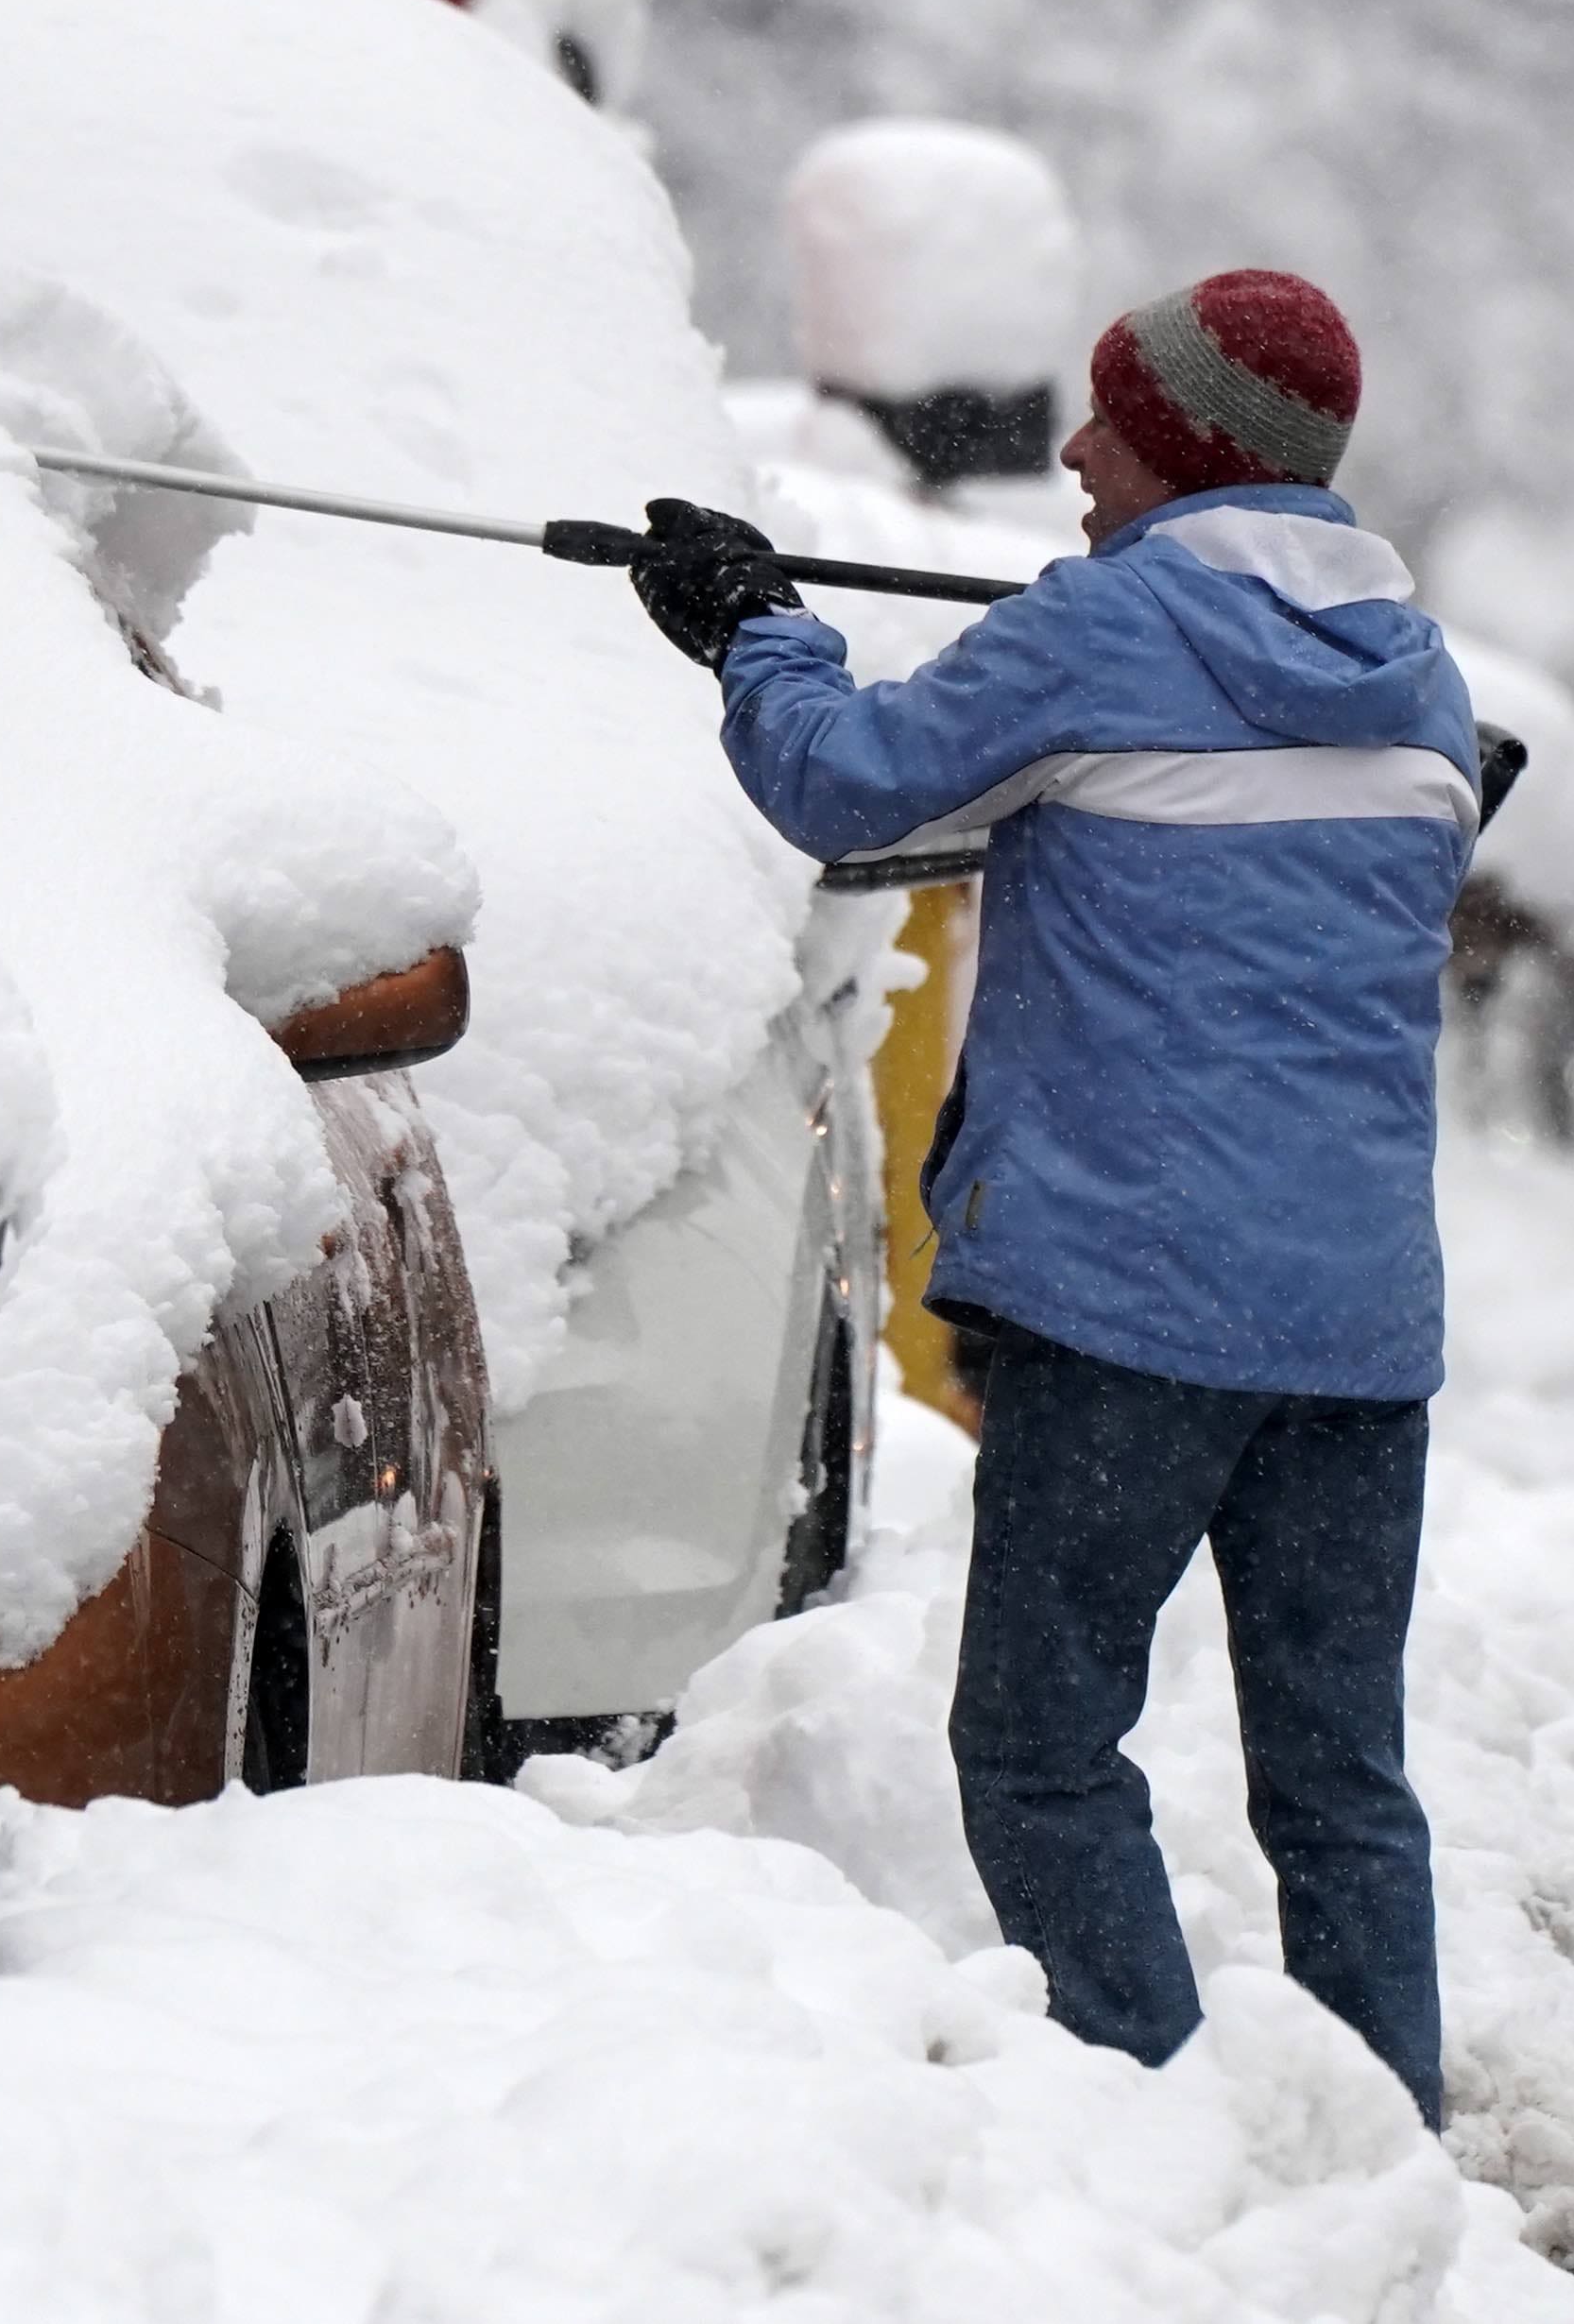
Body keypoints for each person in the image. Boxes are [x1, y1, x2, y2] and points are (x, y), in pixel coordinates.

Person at [626, 270, 1467, 2125]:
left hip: (1131, 1308)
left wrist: (749, 627)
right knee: (1337, 1776)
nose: (1072, 451)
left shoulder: (1103, 631)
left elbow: (846, 791)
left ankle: (1159, 2125)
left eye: (1109, 419)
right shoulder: (1413, 671)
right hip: (1352, 1334)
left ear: (1178, 443)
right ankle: (1393, 2160)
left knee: (1031, 1740)